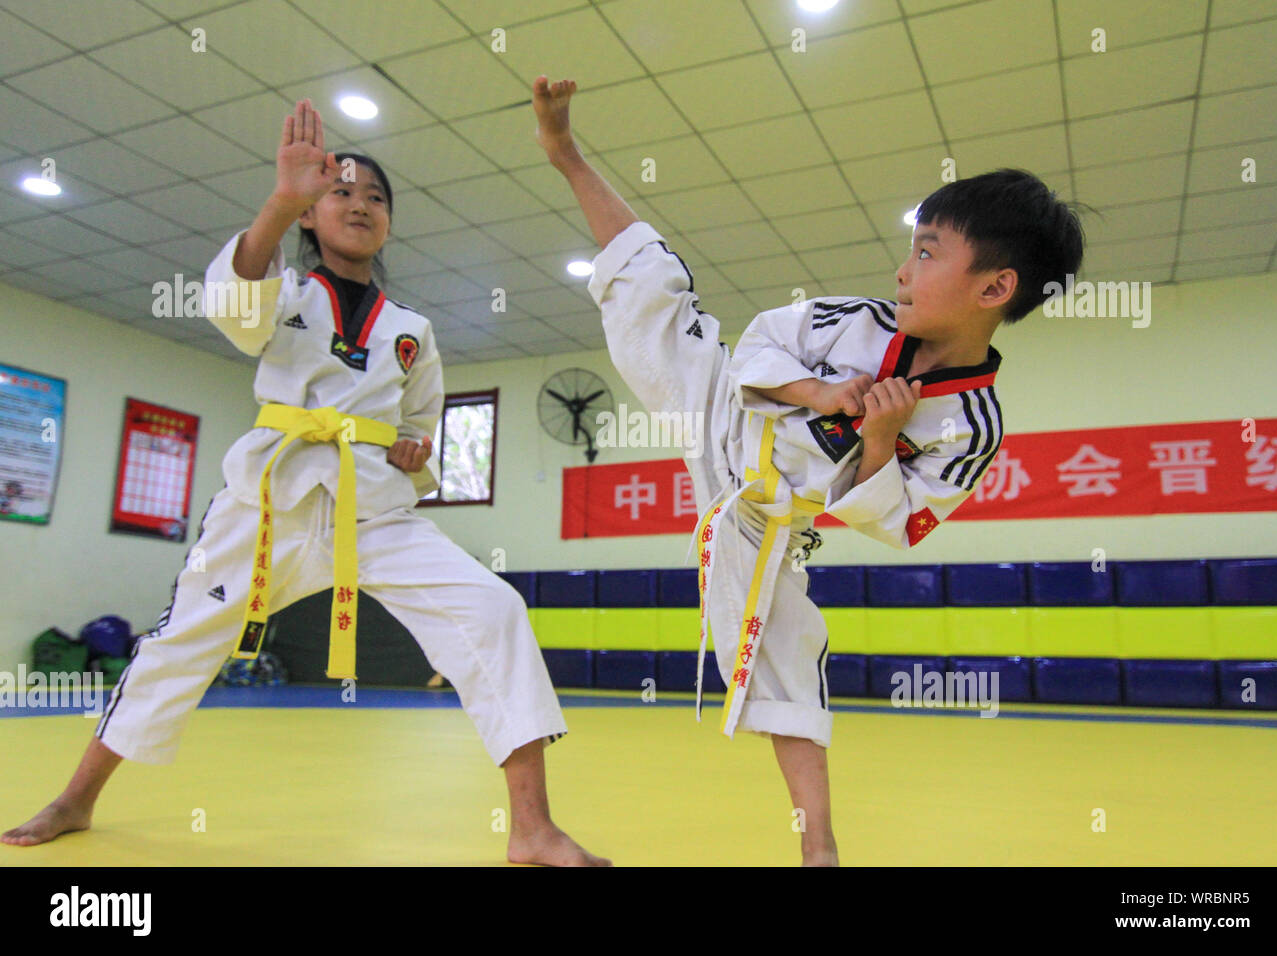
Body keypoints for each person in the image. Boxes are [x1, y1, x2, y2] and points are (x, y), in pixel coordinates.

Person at [4, 99, 609, 867]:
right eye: (341, 191)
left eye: (376, 197)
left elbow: (422, 419)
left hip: (376, 517)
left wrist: (417, 448)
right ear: (311, 216)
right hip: (268, 508)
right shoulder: (283, 291)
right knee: (175, 648)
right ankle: (76, 798)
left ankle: (532, 827)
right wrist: (280, 198)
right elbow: (230, 304)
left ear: (389, 223)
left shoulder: (411, 329)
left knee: (494, 608)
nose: (360, 204)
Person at [532, 76, 1084, 866]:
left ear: (995, 288)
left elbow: (900, 524)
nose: (903, 269)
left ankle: (818, 846)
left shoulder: (972, 425)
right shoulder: (856, 321)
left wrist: (883, 439)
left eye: (927, 253)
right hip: (719, 412)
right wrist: (821, 391)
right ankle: (567, 156)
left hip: (768, 513)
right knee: (656, 294)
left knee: (792, 657)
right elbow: (757, 345)